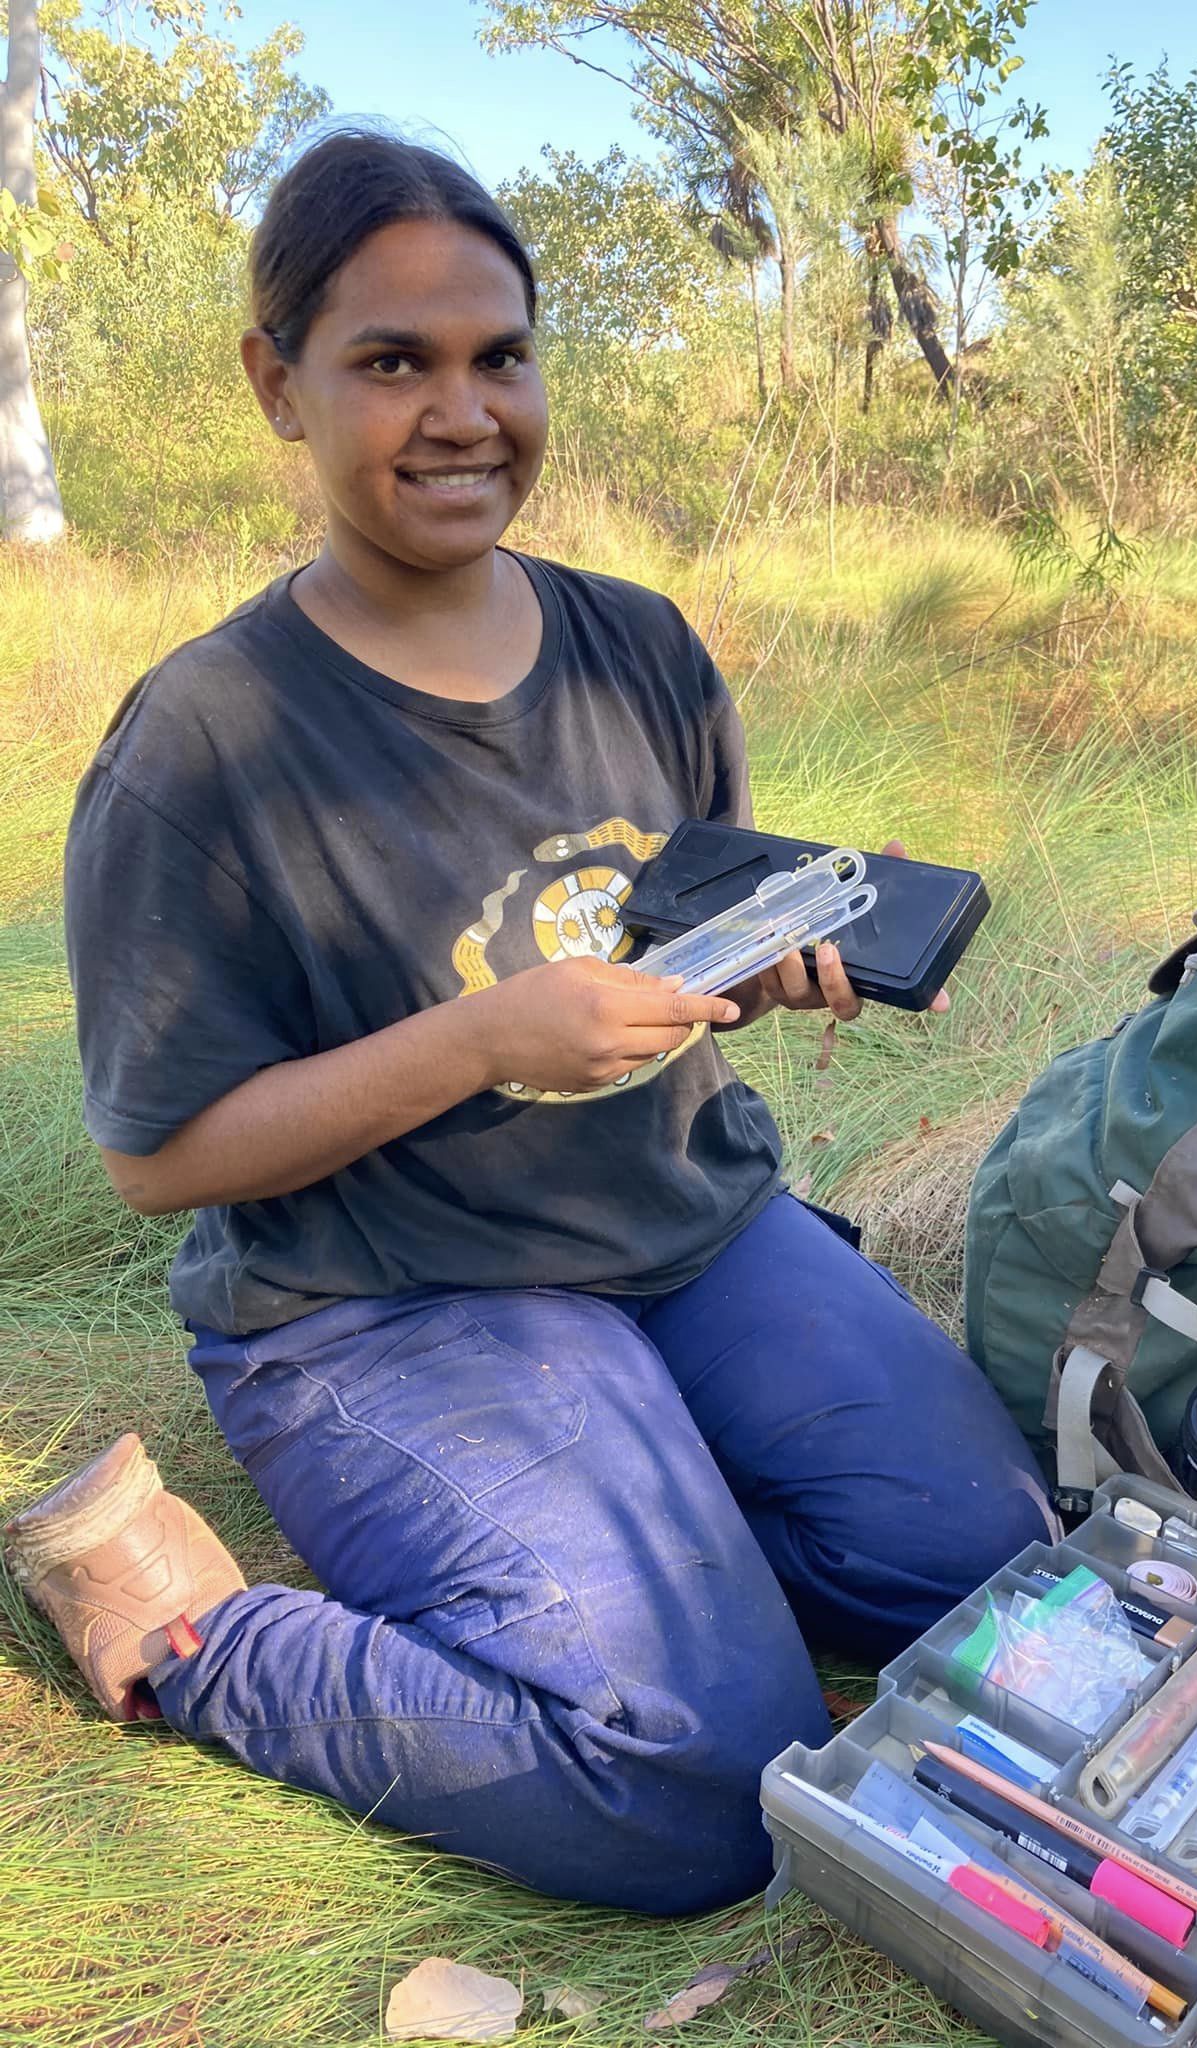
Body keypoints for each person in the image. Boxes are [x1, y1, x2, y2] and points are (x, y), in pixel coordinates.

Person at [5, 130, 1055, 1916]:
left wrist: (763, 966)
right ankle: (184, 1622)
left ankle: (658, 1538)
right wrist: (485, 1039)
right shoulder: (203, 744)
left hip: (693, 1240)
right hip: (393, 1307)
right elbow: (158, 1157)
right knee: (700, 1792)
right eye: (392, 362)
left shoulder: (641, 647)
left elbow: (675, 928)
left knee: (1006, 1588)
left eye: (501, 356)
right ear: (278, 383)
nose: (463, 411)